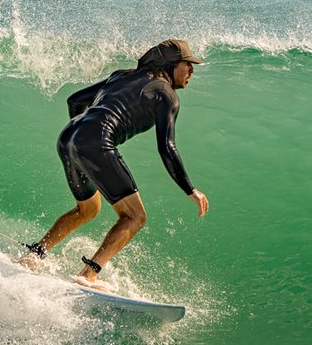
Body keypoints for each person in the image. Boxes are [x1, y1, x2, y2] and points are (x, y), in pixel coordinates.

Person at [20, 39, 209, 291]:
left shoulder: (120, 76)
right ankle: (89, 274)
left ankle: (34, 255)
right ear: (172, 65)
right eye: (188, 65)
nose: (192, 71)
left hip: (68, 137)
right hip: (95, 141)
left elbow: (74, 101)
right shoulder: (167, 95)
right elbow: (167, 147)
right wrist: (190, 189)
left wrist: (81, 141)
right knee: (135, 216)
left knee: (87, 210)